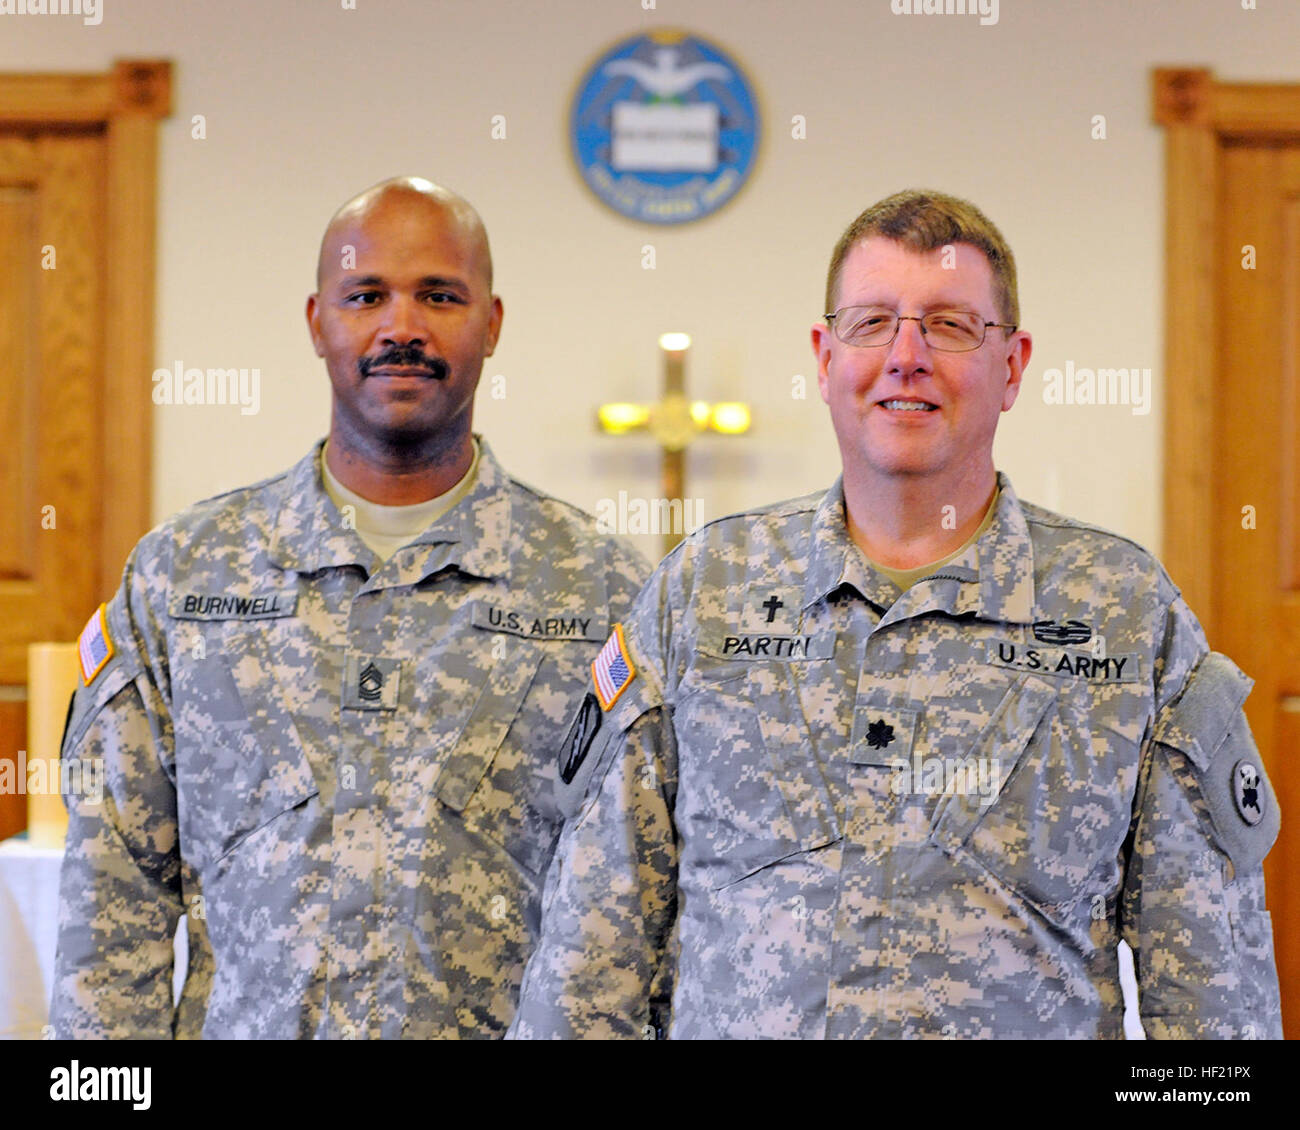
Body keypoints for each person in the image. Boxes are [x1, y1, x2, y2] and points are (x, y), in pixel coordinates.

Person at [511, 189, 1283, 1040]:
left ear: (1014, 366)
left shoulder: (1126, 616)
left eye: (950, 325)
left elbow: (1217, 1001)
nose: (905, 356)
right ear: (824, 354)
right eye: (871, 322)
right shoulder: (701, 595)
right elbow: (589, 964)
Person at [50, 177, 648, 1039]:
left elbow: (630, 911)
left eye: (439, 296)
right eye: (366, 295)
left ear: (492, 324)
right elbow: (112, 896)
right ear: (318, 322)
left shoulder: (599, 589)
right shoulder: (183, 576)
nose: (400, 327)